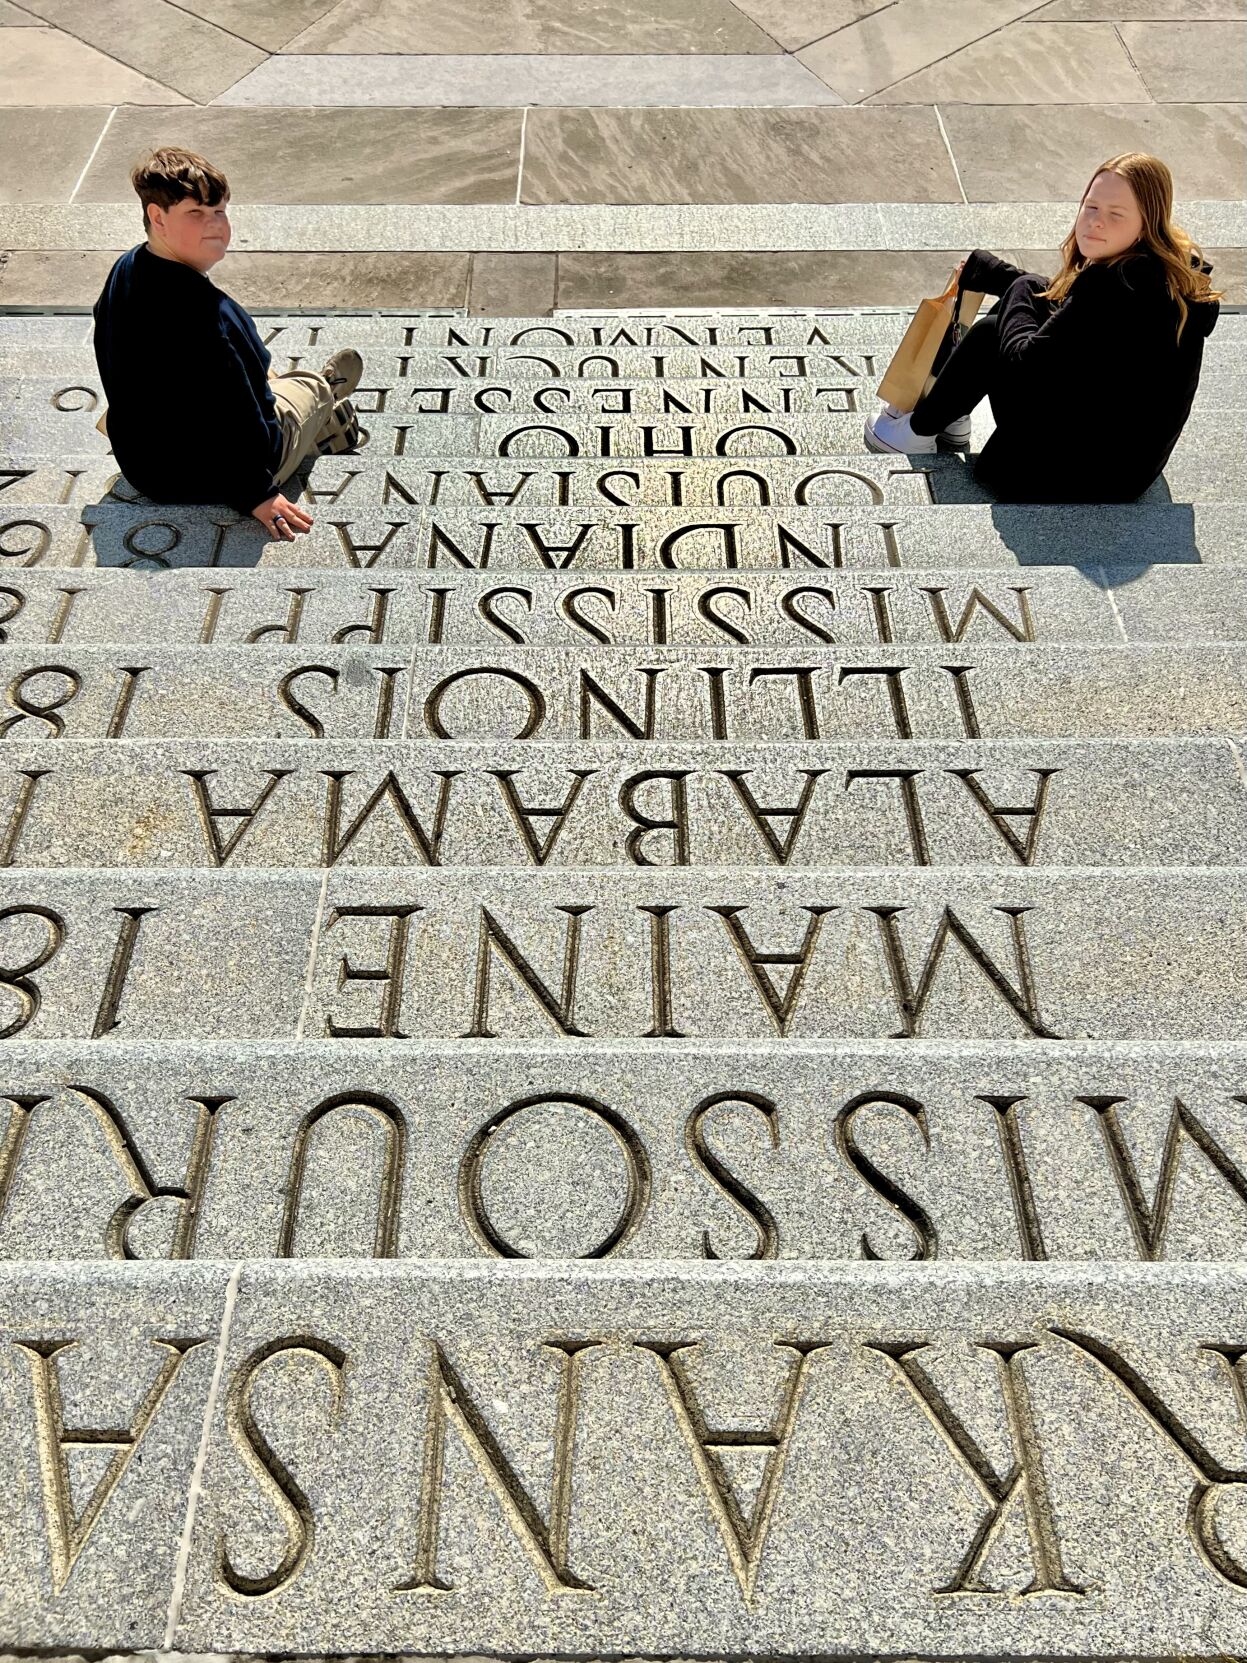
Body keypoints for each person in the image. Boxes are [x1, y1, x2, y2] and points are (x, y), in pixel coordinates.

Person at [864, 152, 1223, 503]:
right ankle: (950, 413)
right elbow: (1072, 315)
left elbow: (1026, 363)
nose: (1097, 222)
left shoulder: (1115, 286)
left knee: (992, 334)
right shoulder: (1168, 276)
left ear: (1146, 224)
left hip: (1071, 478)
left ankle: (918, 431)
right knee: (1029, 302)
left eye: (1116, 214)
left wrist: (1018, 287)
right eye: (1092, 207)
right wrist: (1003, 276)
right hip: (1129, 467)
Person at [92, 147, 363, 541]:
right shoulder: (208, 314)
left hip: (144, 465)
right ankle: (324, 403)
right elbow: (240, 419)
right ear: (157, 217)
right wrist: (256, 492)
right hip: (207, 479)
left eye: (219, 211)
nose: (215, 225)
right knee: (303, 386)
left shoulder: (126, 268)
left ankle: (289, 394)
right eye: (195, 213)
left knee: (249, 369)